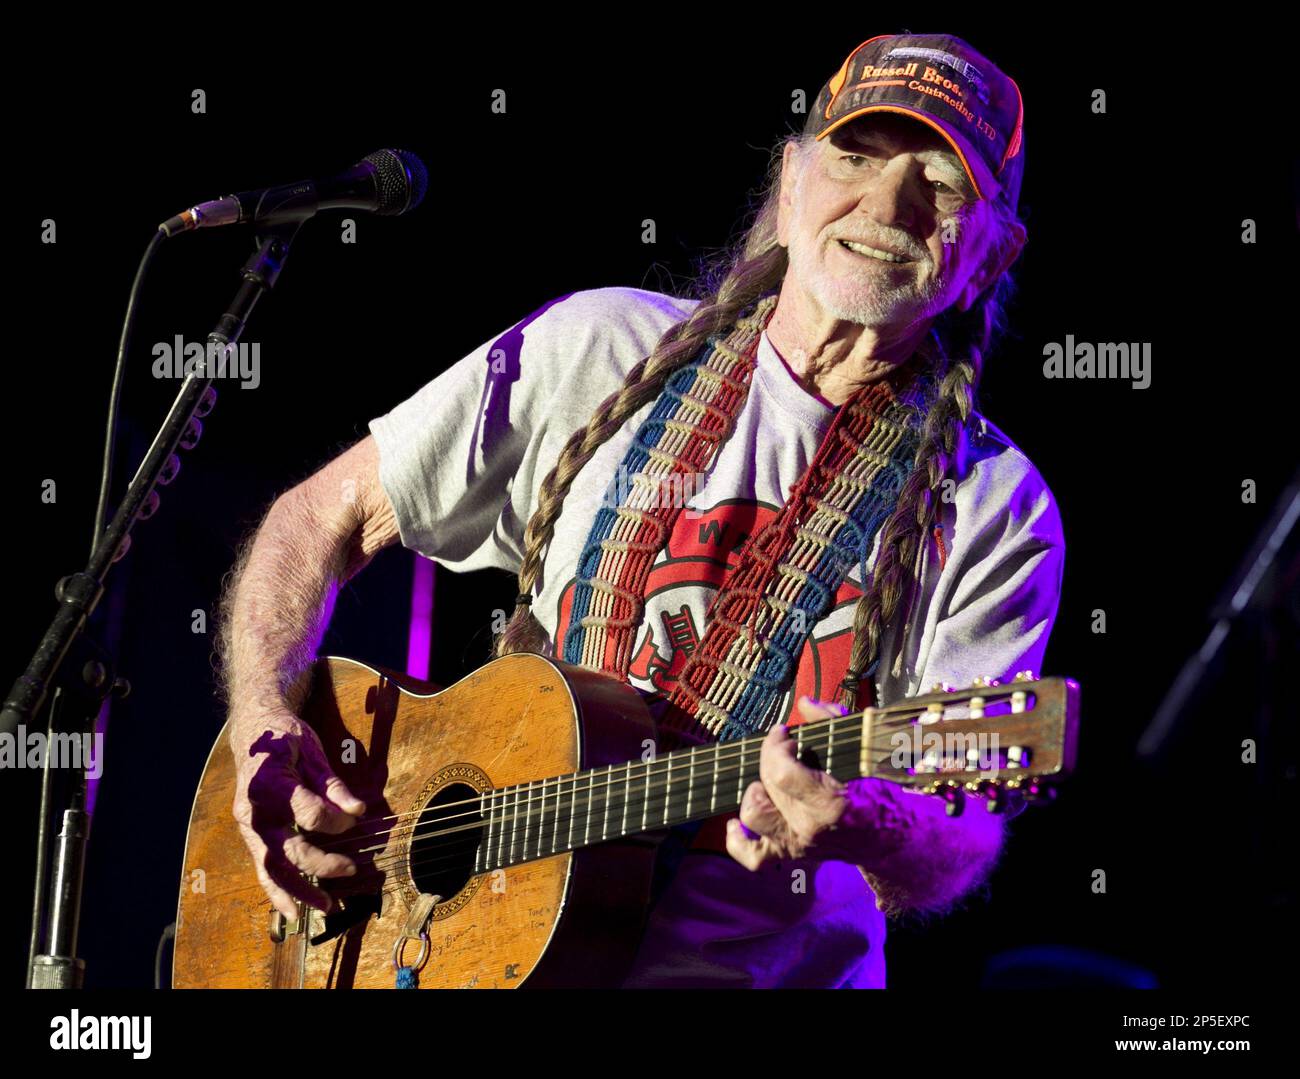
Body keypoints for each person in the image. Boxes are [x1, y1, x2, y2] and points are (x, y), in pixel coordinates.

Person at [216, 32, 1064, 988]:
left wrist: (872, 819)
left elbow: (961, 832)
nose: (887, 202)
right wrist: (263, 717)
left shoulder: (996, 505)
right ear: (791, 184)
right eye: (854, 156)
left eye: (942, 182)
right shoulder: (601, 346)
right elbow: (315, 519)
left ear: (996, 255)